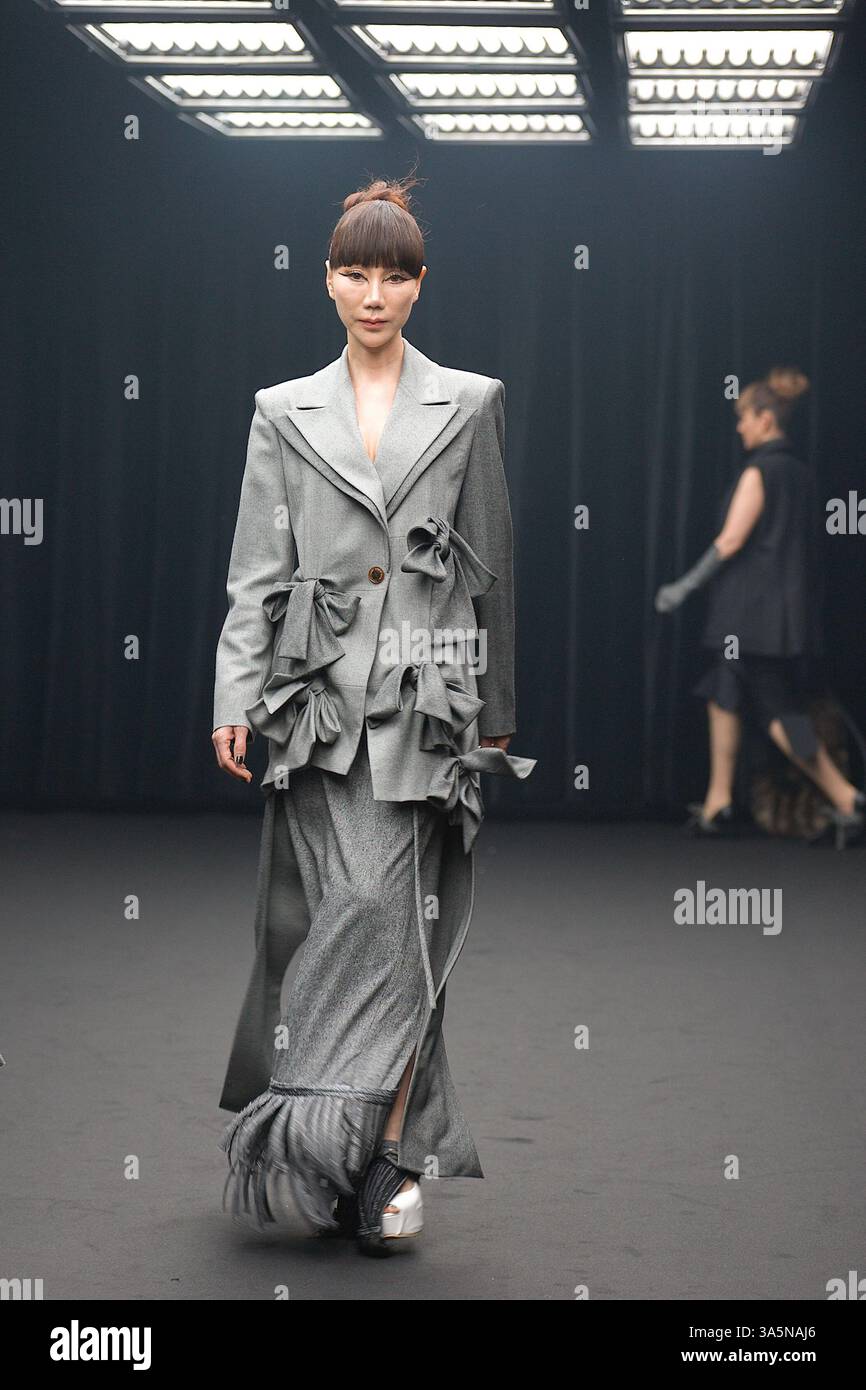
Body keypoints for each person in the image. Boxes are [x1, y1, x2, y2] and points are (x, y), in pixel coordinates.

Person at [210, 174, 535, 1257]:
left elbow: (489, 569)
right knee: (336, 913)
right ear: (327, 279)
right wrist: (234, 692)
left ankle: (378, 1149)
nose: (373, 292)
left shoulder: (469, 402)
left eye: (393, 274)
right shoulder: (281, 410)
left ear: (419, 284)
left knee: (398, 924)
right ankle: (349, 1141)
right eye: (355, 271)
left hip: (424, 703)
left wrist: (494, 712)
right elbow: (257, 570)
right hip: (312, 707)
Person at [655, 367, 863, 847]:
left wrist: (682, 588)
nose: (739, 427)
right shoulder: (802, 474)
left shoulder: (761, 471)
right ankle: (718, 801)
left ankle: (847, 799)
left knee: (780, 710)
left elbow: (730, 541)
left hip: (749, 619)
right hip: (780, 619)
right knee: (722, 690)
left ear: (766, 419)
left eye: (745, 417)